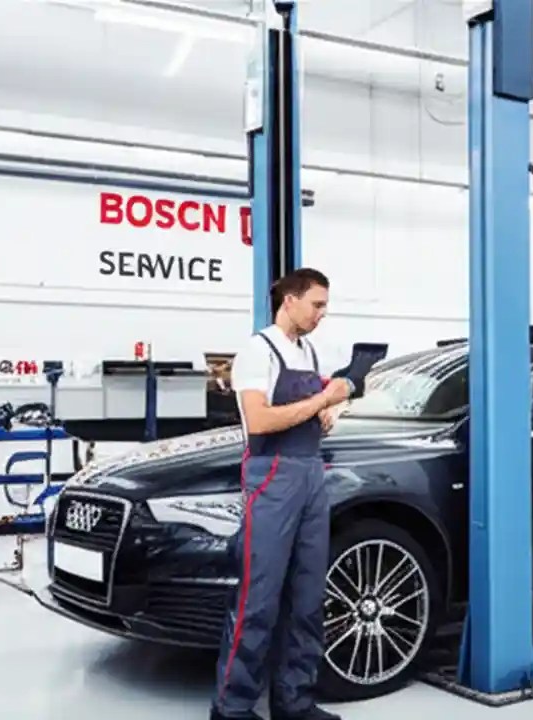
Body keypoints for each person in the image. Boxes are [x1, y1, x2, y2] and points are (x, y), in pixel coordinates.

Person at [210, 268, 351, 720]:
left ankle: (295, 700)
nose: (321, 314)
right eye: (316, 304)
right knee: (258, 598)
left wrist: (329, 415)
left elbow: (305, 410)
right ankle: (231, 708)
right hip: (272, 477)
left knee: (308, 597)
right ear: (289, 301)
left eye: (325, 305)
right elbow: (261, 421)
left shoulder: (308, 350)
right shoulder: (257, 351)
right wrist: (322, 402)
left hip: (311, 472)